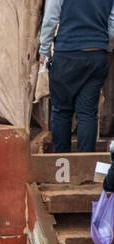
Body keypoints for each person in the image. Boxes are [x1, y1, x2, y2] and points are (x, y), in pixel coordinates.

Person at [41, 0, 114, 154]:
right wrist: (105, 46)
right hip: (97, 55)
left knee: (61, 111)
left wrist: (44, 51)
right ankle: (85, 165)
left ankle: (60, 162)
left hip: (67, 54)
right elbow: (113, 23)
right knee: (87, 113)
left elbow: (50, 18)